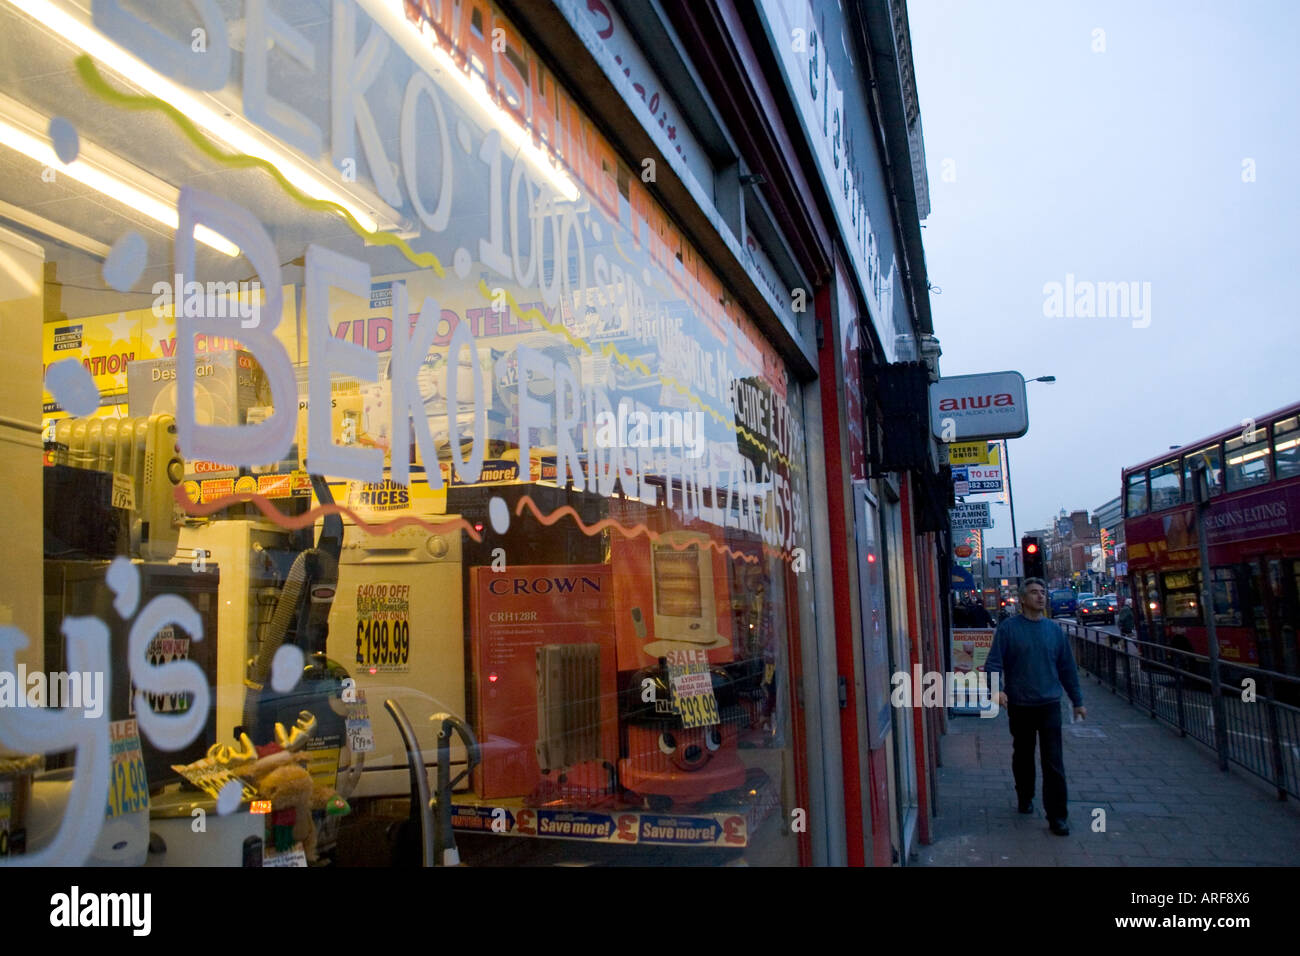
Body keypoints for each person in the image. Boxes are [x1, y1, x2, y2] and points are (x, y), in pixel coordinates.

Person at [984, 577, 1086, 835]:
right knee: (1023, 754)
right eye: (1034, 593)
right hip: (1020, 704)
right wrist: (996, 691)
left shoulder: (1054, 631)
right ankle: (1024, 795)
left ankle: (1057, 816)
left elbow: (1067, 668)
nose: (1040, 597)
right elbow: (994, 663)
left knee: (1053, 761)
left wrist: (1078, 701)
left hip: (1050, 703)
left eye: (1042, 592)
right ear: (1022, 599)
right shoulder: (1008, 629)